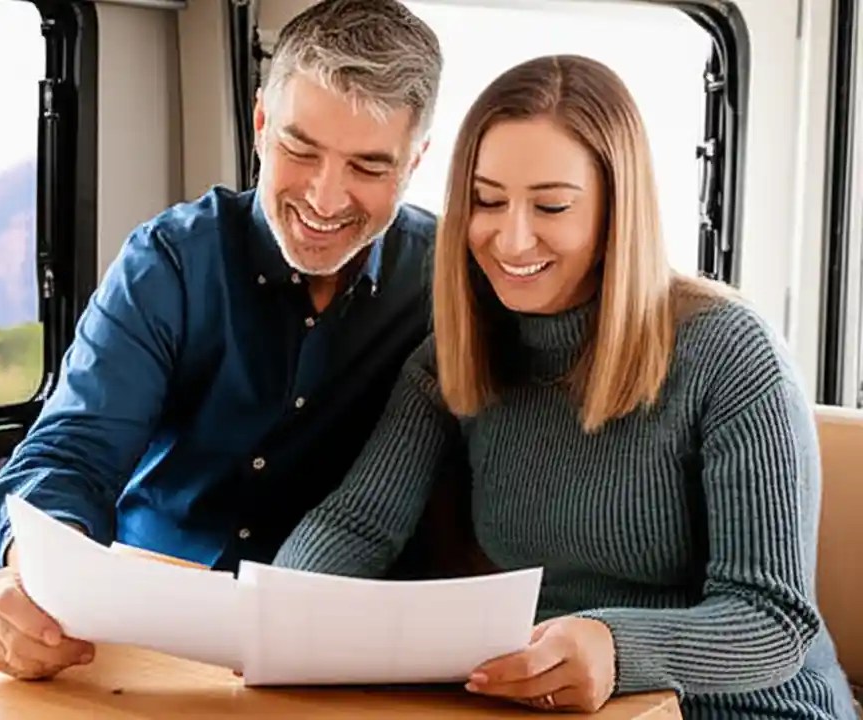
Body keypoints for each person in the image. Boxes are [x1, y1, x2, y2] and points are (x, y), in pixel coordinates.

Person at [272, 54, 855, 718]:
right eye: (487, 201)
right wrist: (278, 617)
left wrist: (613, 645)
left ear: (615, 213)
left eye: (551, 205)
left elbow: (772, 618)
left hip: (753, 709)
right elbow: (357, 523)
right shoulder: (451, 360)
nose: (511, 239)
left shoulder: (730, 352)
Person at [0, 0, 444, 682]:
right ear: (259, 123)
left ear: (415, 160)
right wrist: (30, 576)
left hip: (351, 647)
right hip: (147, 629)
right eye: (300, 148)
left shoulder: (445, 283)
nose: (324, 196)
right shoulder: (169, 262)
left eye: (368, 168)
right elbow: (69, 454)